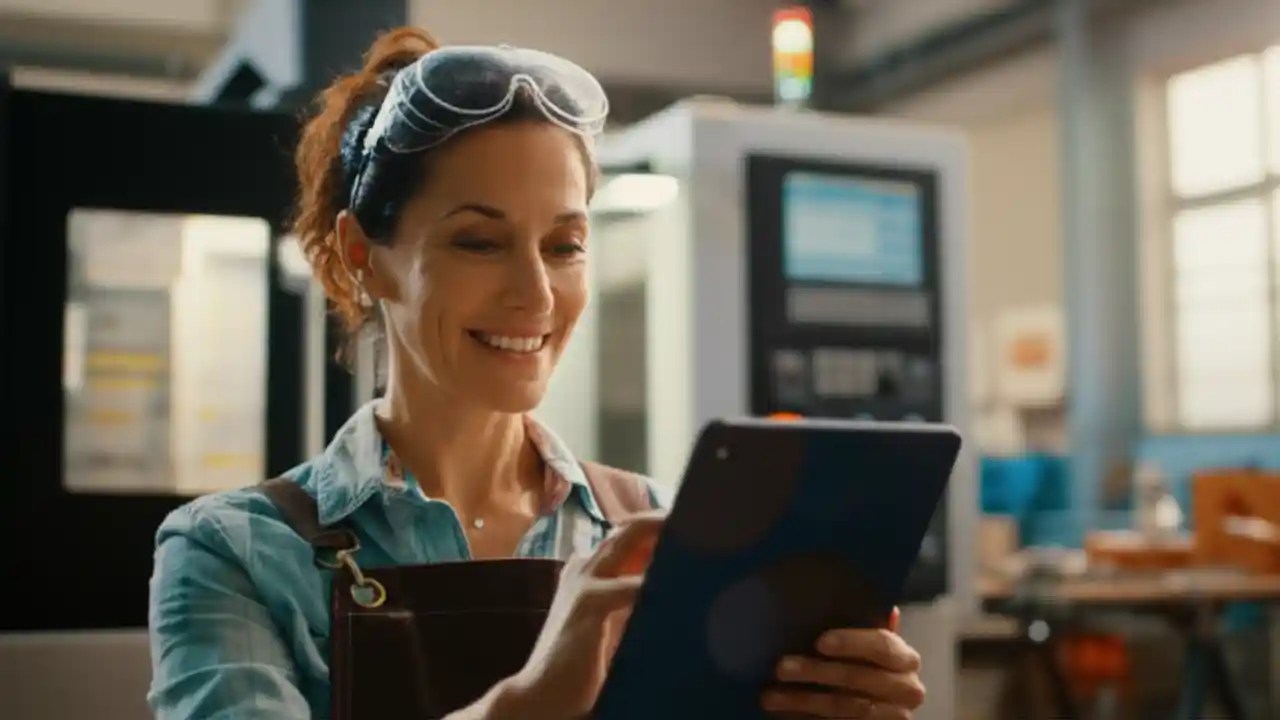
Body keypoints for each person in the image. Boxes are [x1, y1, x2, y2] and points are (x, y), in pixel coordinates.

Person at [147, 26, 927, 720]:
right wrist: (530, 705)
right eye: (480, 243)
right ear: (362, 258)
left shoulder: (650, 530)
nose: (537, 293)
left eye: (564, 245)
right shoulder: (237, 554)